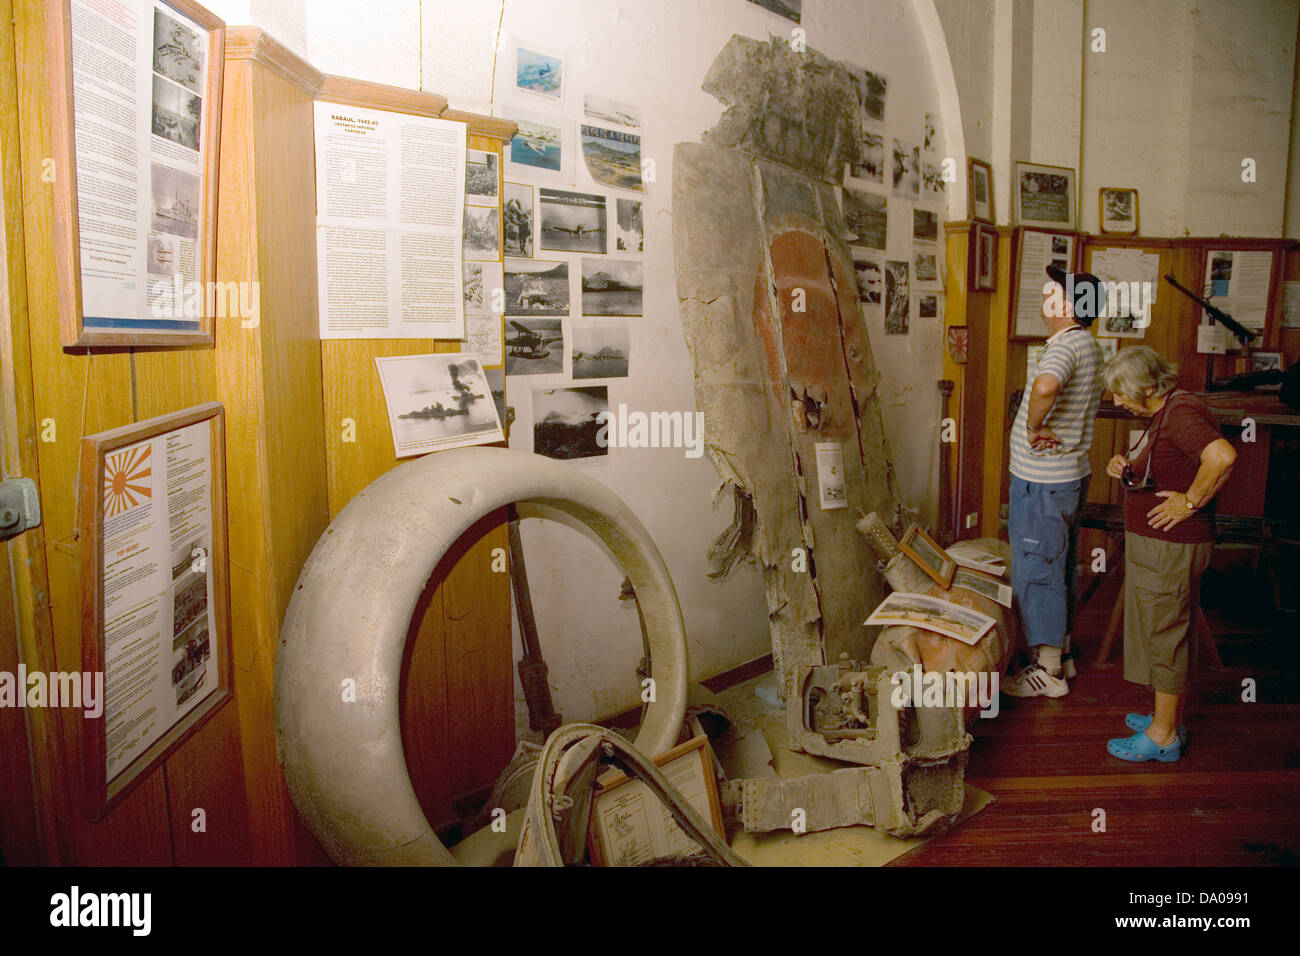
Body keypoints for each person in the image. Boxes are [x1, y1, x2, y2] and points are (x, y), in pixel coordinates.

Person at [1102, 347, 1236, 762]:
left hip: (1170, 548)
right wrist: (1130, 466)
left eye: (1122, 393)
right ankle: (1167, 716)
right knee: (1164, 630)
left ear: (1146, 386)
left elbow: (1222, 456)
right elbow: (1172, 464)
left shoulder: (1179, 413)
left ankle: (1163, 736)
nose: (1118, 402)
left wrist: (1189, 502)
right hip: (1160, 547)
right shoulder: (1168, 410)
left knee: (1165, 635)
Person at [1002, 266, 1105, 698]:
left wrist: (1031, 426)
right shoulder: (1088, 344)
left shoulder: (1065, 347)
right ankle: (1060, 654)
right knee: (1059, 564)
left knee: (1035, 568)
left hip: (1042, 484)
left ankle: (1048, 673)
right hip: (1068, 477)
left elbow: (1045, 387)